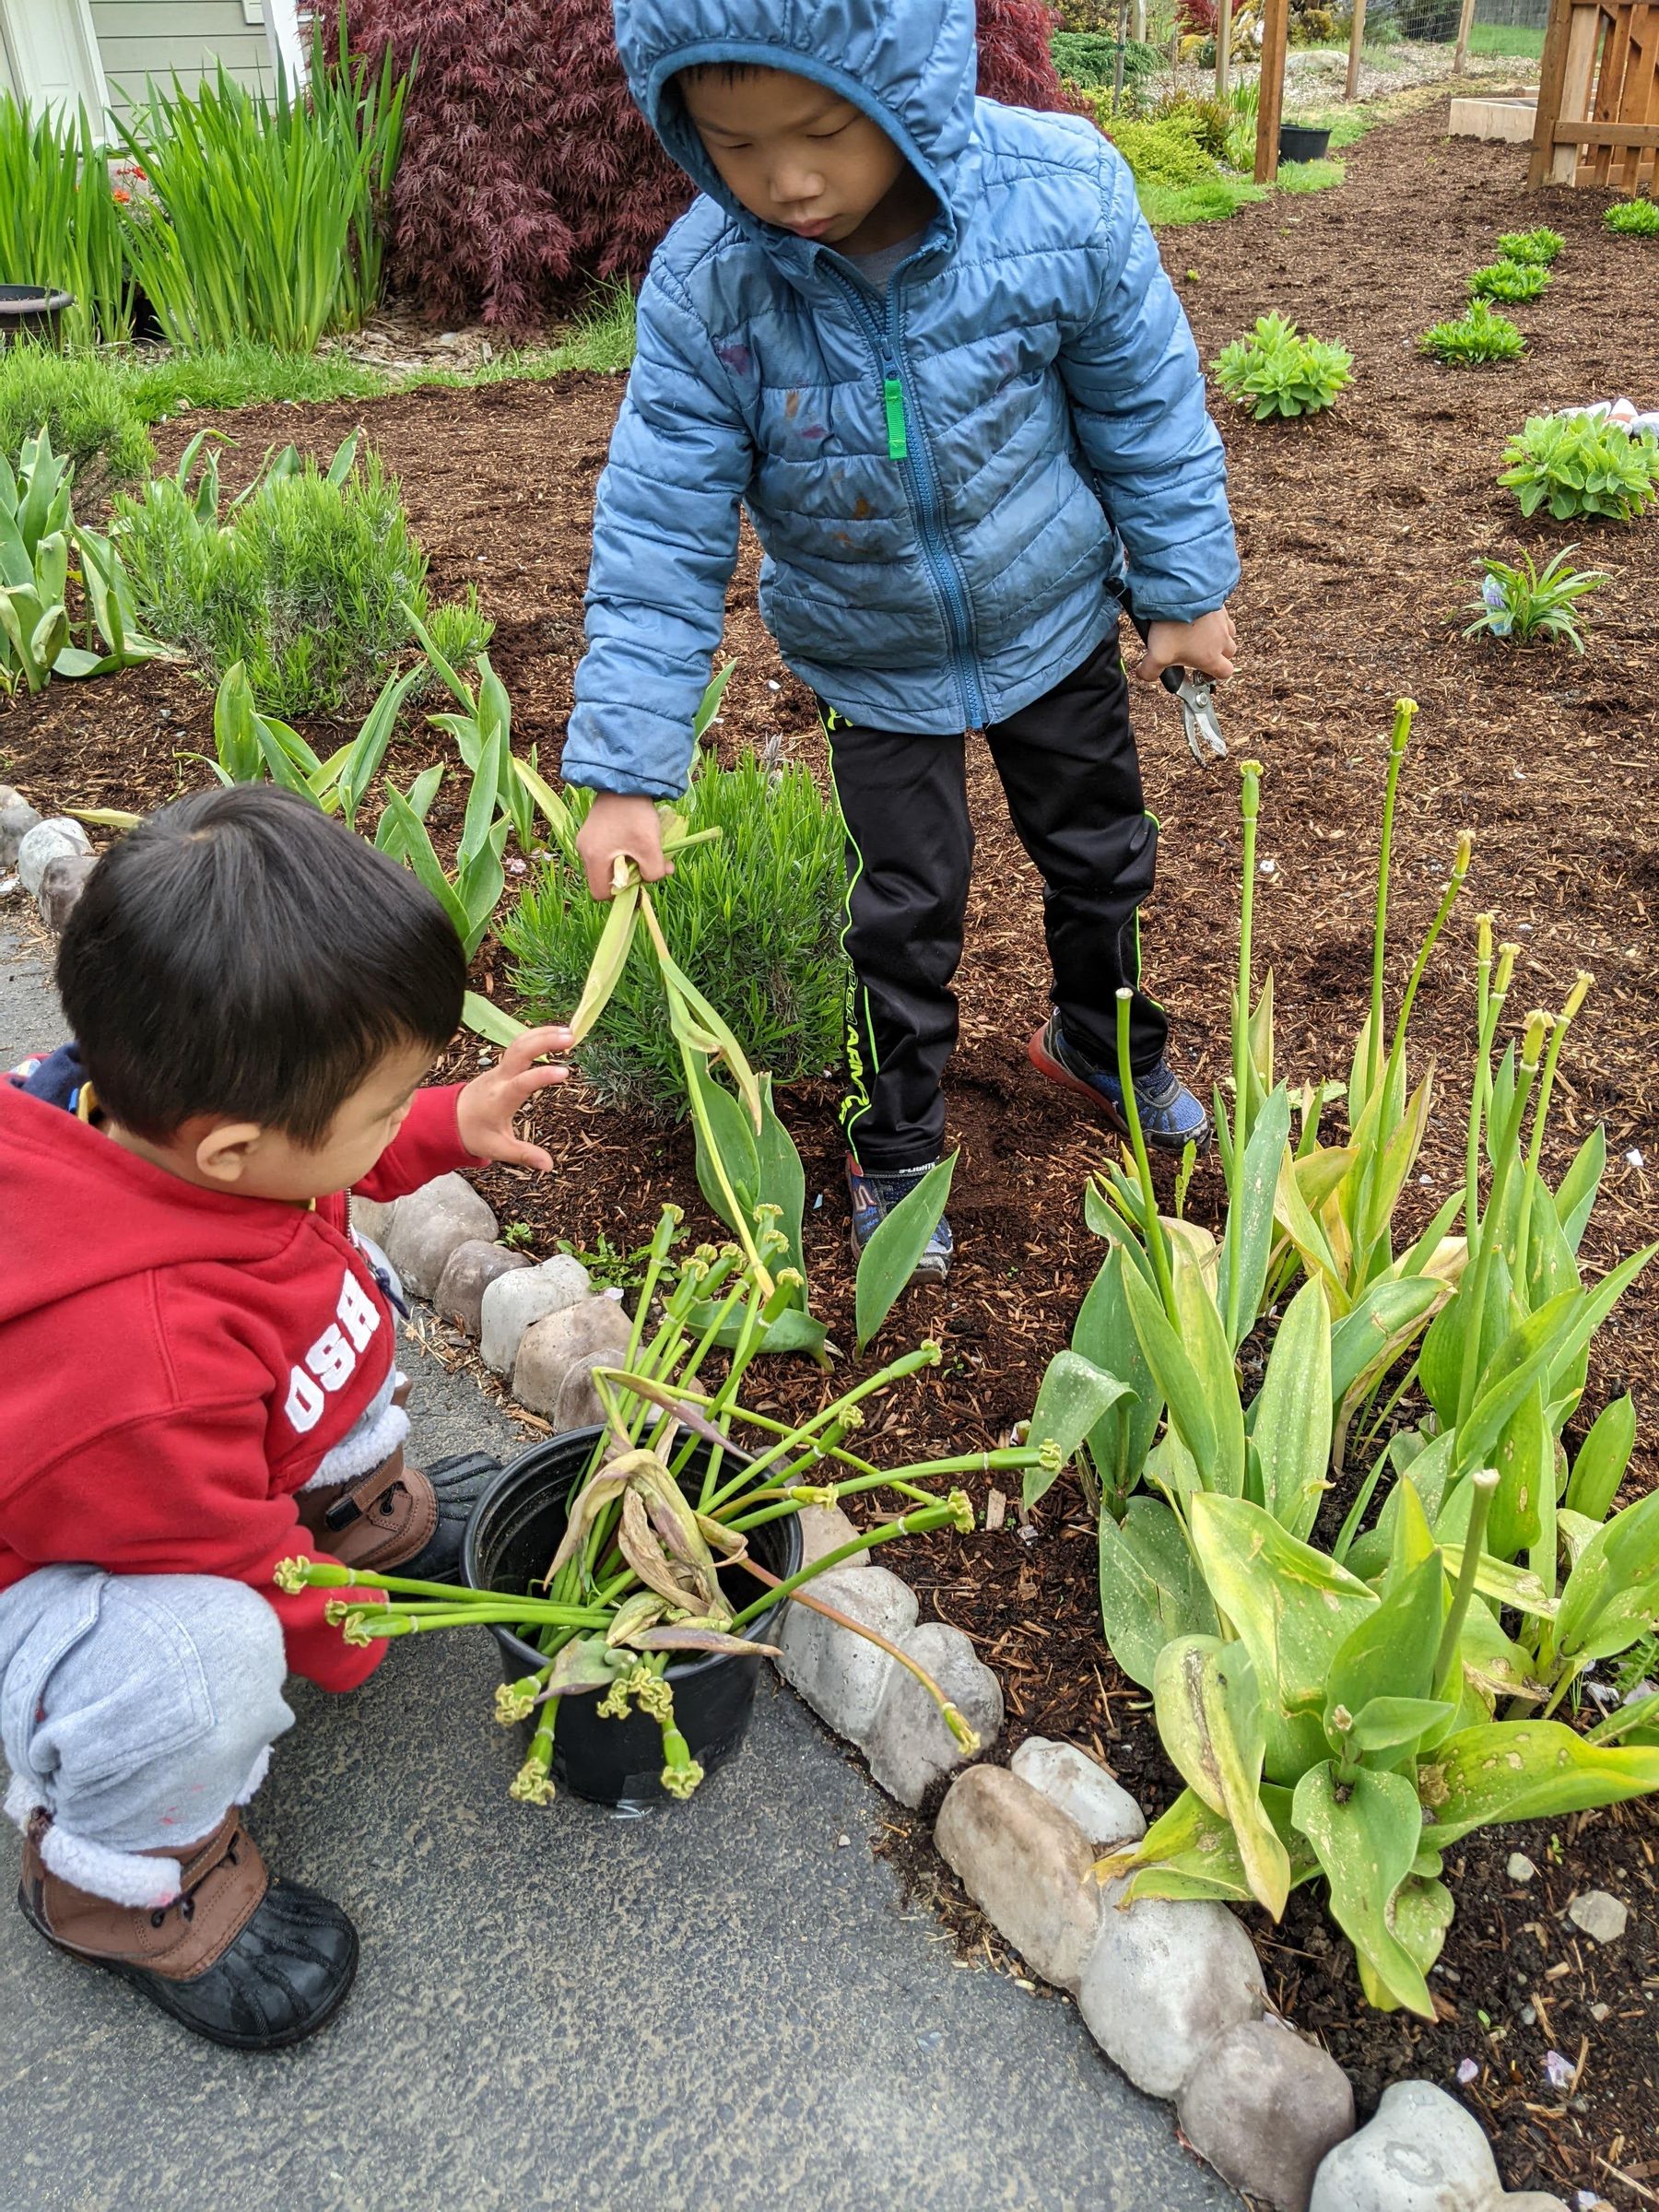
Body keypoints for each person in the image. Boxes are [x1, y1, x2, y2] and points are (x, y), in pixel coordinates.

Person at [567, 0, 1240, 1281]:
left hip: (1051, 614)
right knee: (904, 910)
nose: (789, 181)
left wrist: (1184, 587)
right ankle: (899, 1150)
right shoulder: (715, 285)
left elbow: (1146, 406)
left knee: (1103, 859)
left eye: (822, 131)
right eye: (737, 146)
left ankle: (1103, 1049)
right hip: (868, 658)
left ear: (913, 86)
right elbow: (660, 534)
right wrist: (628, 771)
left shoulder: (1058, 195)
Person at [0, 786, 570, 2050]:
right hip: (78, 1564)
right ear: (231, 1151)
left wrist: (437, 1128)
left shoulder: (152, 1113)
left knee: (337, 1300)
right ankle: (115, 1877)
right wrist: (339, 1636)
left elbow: (317, 1162)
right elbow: (228, 1557)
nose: (388, 1127)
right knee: (205, 1663)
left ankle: (362, 1520)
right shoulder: (138, 1357)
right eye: (382, 1106)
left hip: (189, 1450)